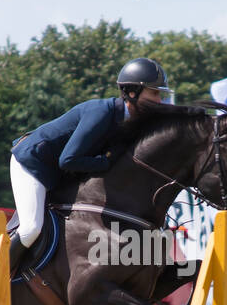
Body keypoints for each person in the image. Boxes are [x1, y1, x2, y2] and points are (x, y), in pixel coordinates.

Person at [9, 57, 174, 267]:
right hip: (32, 163)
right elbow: (68, 160)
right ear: (132, 92)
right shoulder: (101, 113)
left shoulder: (130, 122)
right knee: (31, 228)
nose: (159, 100)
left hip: (57, 172)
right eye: (154, 93)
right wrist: (104, 163)